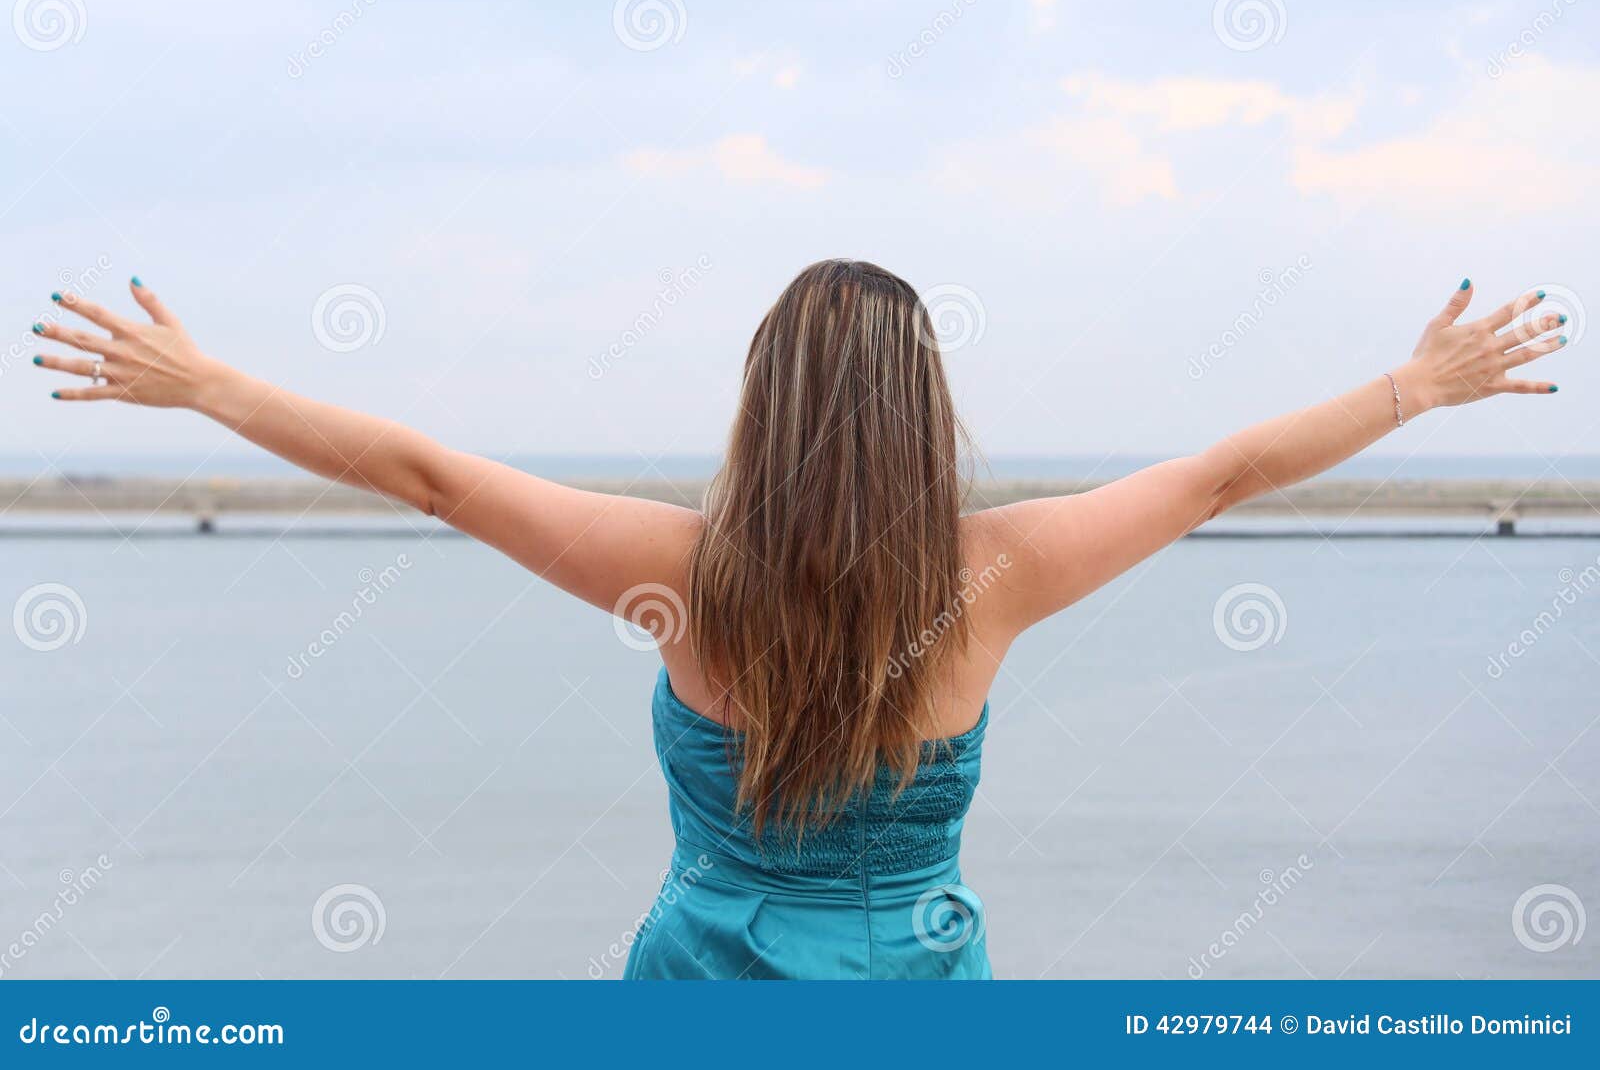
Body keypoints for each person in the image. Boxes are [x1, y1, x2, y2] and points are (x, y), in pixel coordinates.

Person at [31, 260, 1566, 978]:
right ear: (925, 416)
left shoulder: (683, 572)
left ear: (763, 407)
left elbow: (430, 479)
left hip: (703, 978)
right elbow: (1222, 477)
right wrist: (1414, 388)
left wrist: (209, 386)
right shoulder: (999, 571)